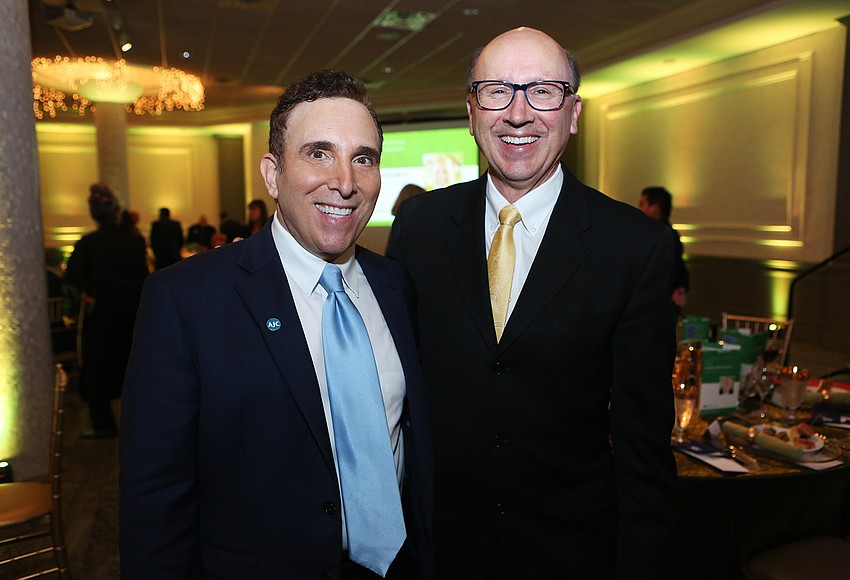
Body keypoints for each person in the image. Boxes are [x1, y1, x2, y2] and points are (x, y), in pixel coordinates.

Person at [387, 27, 678, 578]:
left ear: (574, 113)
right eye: (496, 91)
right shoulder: (419, 228)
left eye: (543, 91)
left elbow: (643, 445)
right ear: (471, 112)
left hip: (569, 552)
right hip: (439, 549)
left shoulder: (634, 246)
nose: (518, 114)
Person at [120, 69, 433, 579]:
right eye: (318, 153)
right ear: (272, 174)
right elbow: (155, 500)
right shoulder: (188, 299)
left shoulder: (398, 286)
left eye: (363, 159)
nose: (345, 182)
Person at [63, 184, 148, 438]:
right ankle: (140, 422)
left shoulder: (89, 243)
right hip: (134, 312)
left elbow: (71, 282)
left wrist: (70, 312)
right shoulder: (134, 239)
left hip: (102, 316)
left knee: (97, 367)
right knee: (134, 366)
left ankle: (102, 423)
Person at [640, 186, 690, 310]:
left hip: (657, 302)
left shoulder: (660, 235)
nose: (639, 208)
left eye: (642, 204)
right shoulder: (668, 234)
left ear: (655, 208)